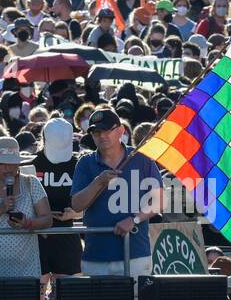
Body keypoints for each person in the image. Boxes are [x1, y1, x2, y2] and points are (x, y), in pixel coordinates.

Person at [69, 107, 162, 277]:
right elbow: (76, 205)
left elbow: (159, 201)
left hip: (135, 253)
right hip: (96, 255)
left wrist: (134, 219)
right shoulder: (85, 163)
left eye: (106, 130)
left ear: (121, 130)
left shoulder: (141, 159)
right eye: (96, 132)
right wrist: (99, 182)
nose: (102, 135)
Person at [0, 135, 52, 278]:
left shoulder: (31, 183)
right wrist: (1, 209)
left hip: (25, 266)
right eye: (2, 163)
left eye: (13, 163)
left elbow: (47, 219)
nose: (8, 167)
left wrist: (28, 223)